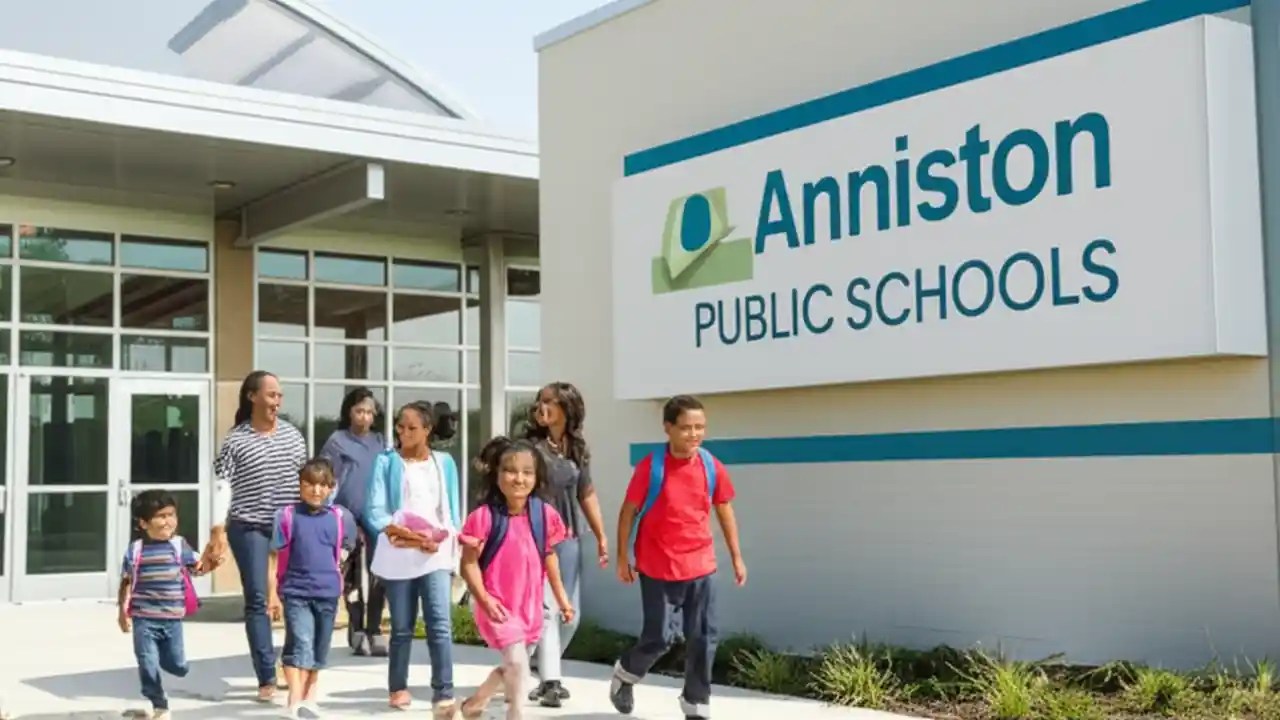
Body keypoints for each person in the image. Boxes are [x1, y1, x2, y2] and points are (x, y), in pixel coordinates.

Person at [609, 395, 747, 720]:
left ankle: (696, 703)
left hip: (700, 565)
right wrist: (622, 556)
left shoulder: (711, 466)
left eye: (700, 427)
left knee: (704, 637)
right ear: (668, 428)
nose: (694, 434)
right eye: (686, 428)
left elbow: (724, 509)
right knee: (660, 638)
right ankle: (626, 673)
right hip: (657, 565)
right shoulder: (651, 467)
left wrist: (736, 556)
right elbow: (628, 512)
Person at [202, 370, 308, 703]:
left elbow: (306, 482)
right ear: (252, 397)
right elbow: (222, 485)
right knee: (258, 600)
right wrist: (217, 529)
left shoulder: (293, 436)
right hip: (249, 526)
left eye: (279, 396)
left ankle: (291, 664)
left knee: (295, 597)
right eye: (271, 394)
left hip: (290, 526)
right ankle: (266, 676)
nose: (277, 401)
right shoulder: (236, 439)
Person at [457, 437, 574, 720]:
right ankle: (515, 715)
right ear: (496, 474)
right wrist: (485, 600)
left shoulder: (544, 515)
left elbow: (549, 557)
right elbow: (468, 565)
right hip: (496, 606)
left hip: (530, 608)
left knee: (513, 667)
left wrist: (562, 600)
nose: (519, 479)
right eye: (510, 471)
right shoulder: (483, 517)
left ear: (537, 477)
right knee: (519, 665)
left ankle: (472, 706)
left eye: (527, 472)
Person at [365, 400, 462, 717]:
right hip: (399, 552)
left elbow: (451, 511)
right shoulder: (386, 461)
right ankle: (398, 687)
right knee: (402, 627)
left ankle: (443, 691)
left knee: (439, 624)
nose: (404, 432)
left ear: (428, 429)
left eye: (411, 427)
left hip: (435, 553)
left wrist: (446, 541)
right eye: (400, 427)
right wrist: (410, 536)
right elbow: (375, 511)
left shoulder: (444, 463)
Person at [520, 382, 608, 707]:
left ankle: (535, 664)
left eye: (550, 402)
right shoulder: (529, 448)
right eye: (539, 401)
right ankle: (550, 681)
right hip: (537, 536)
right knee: (549, 610)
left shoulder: (577, 448)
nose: (541, 407)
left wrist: (601, 535)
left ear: (566, 408)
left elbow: (587, 493)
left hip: (569, 536)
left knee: (571, 615)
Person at [267, 458, 358, 718]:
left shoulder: (340, 518)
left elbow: (346, 550)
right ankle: (296, 700)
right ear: (300, 485)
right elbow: (273, 558)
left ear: (331, 488)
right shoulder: (286, 516)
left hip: (327, 593)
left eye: (322, 485)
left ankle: (309, 697)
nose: (316, 490)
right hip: (295, 591)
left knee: (319, 649)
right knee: (302, 643)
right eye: (309, 484)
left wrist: (340, 582)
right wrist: (272, 594)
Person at [118, 490, 214, 720]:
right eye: (161, 516)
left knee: (178, 666)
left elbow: (197, 569)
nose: (168, 521)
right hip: (144, 618)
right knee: (147, 665)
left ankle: (167, 662)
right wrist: (122, 611)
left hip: (172, 619)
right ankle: (159, 704)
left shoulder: (179, 546)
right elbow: (126, 581)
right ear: (143, 523)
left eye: (171, 515)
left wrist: (212, 562)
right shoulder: (136, 550)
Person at [317, 387, 389, 656]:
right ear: (349, 412)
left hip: (376, 516)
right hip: (346, 515)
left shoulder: (381, 442)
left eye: (370, 412)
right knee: (352, 574)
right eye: (360, 411)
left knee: (379, 573)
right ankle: (357, 627)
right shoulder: (337, 441)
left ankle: (375, 628)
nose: (365, 417)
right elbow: (327, 479)